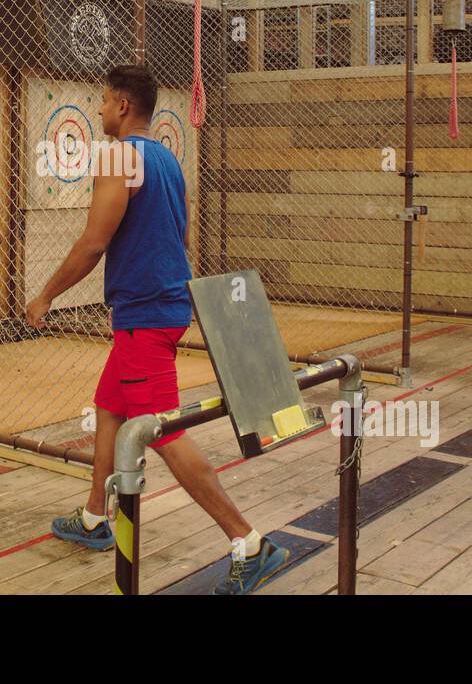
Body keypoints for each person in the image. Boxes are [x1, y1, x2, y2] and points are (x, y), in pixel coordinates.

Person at [24, 64, 289, 595]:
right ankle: (97, 517)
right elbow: (181, 229)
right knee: (109, 406)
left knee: (160, 431)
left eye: (102, 102)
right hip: (160, 306)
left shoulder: (118, 157)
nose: (98, 110)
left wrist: (46, 294)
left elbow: (94, 242)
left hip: (147, 314)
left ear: (123, 106)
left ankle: (249, 541)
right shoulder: (167, 157)